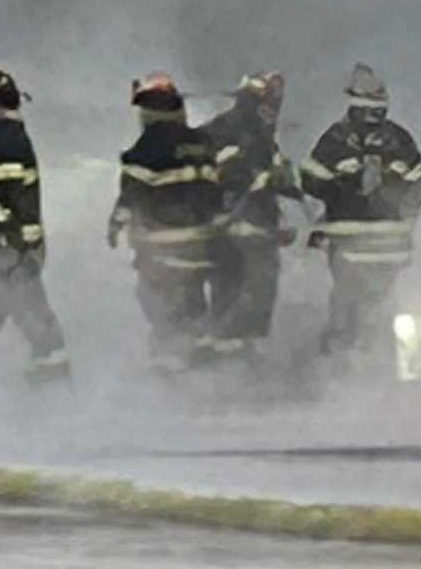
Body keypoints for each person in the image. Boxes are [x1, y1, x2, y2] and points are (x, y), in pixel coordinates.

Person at [300, 63, 421, 360]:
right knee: (354, 303)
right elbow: (311, 180)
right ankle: (346, 363)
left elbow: (419, 183)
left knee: (371, 305)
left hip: (379, 245)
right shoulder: (339, 139)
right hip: (354, 243)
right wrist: (346, 186)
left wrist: (401, 208)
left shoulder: (392, 140)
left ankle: (367, 363)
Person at [107, 73, 224, 370]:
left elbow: (132, 192)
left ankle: (167, 371)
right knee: (194, 301)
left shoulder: (147, 146)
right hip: (200, 242)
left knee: (158, 302)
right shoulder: (201, 142)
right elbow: (215, 191)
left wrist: (117, 222)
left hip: (162, 244)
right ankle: (206, 366)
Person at [0, 69, 70, 381]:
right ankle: (52, 387)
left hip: (5, 254)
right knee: (32, 321)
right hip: (13, 252)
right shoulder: (8, 141)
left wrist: (7, 248)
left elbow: (14, 204)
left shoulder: (4, 147)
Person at [198, 72, 303, 359]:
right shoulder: (235, 132)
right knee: (253, 286)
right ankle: (226, 352)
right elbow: (228, 174)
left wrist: (287, 186)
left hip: (236, 226)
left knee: (235, 288)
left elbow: (281, 179)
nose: (274, 109)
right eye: (271, 101)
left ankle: (234, 356)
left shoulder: (258, 135)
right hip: (237, 224)